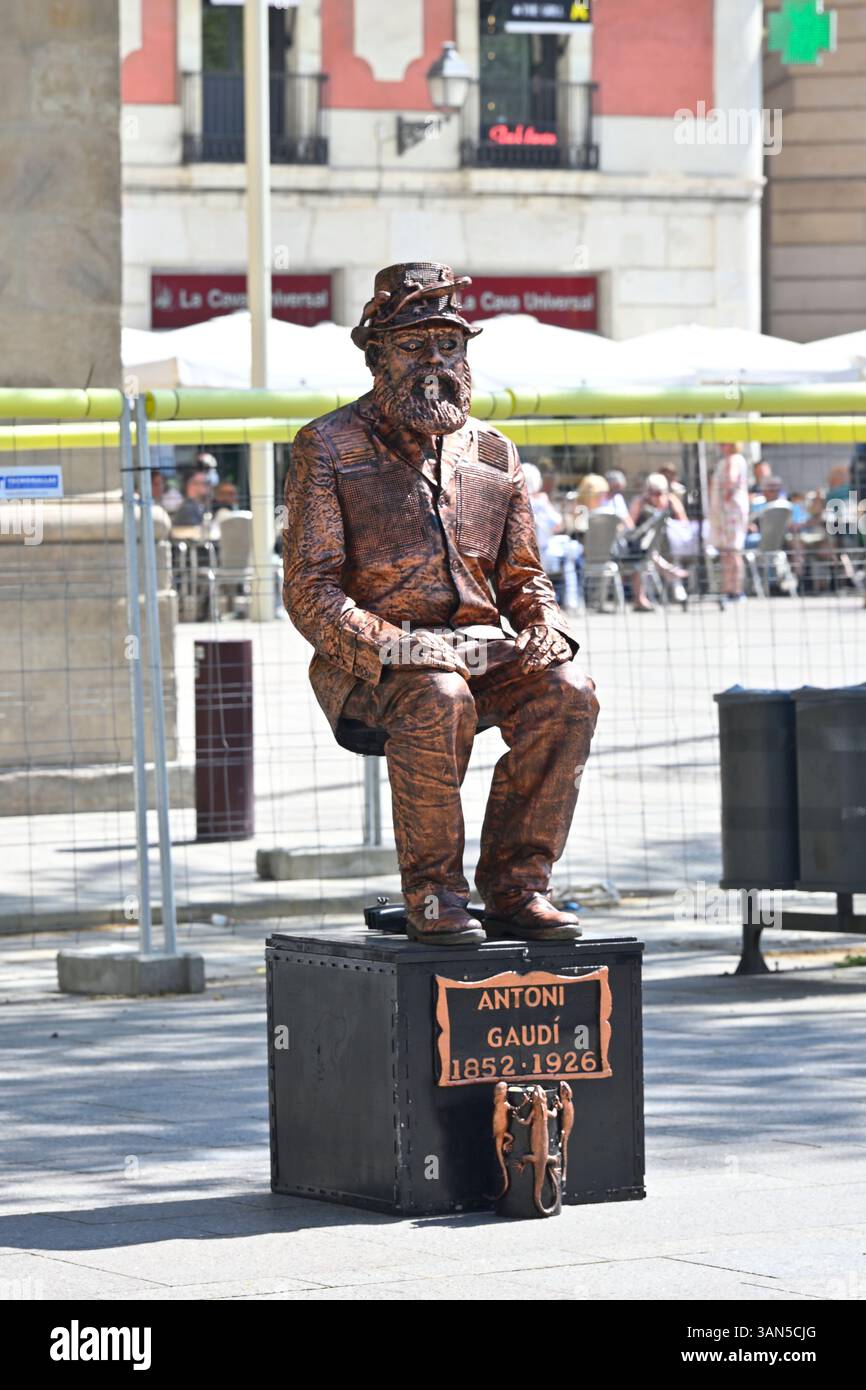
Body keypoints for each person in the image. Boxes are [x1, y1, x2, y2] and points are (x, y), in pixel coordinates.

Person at [283, 261, 599, 946]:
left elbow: (524, 578)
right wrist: (392, 643)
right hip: (377, 663)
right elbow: (310, 589)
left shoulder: (495, 452)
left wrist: (546, 625)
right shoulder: (328, 446)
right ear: (376, 356)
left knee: (569, 690)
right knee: (437, 695)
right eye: (414, 345)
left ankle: (518, 887)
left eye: (449, 345)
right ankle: (434, 894)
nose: (435, 363)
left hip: (482, 649)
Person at [709, 444, 750, 603]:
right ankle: (729, 590)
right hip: (728, 512)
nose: (721, 446)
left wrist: (726, 496)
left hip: (729, 512)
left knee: (732, 552)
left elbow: (731, 480)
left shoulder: (733, 460)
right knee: (727, 553)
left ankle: (736, 590)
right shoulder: (730, 460)